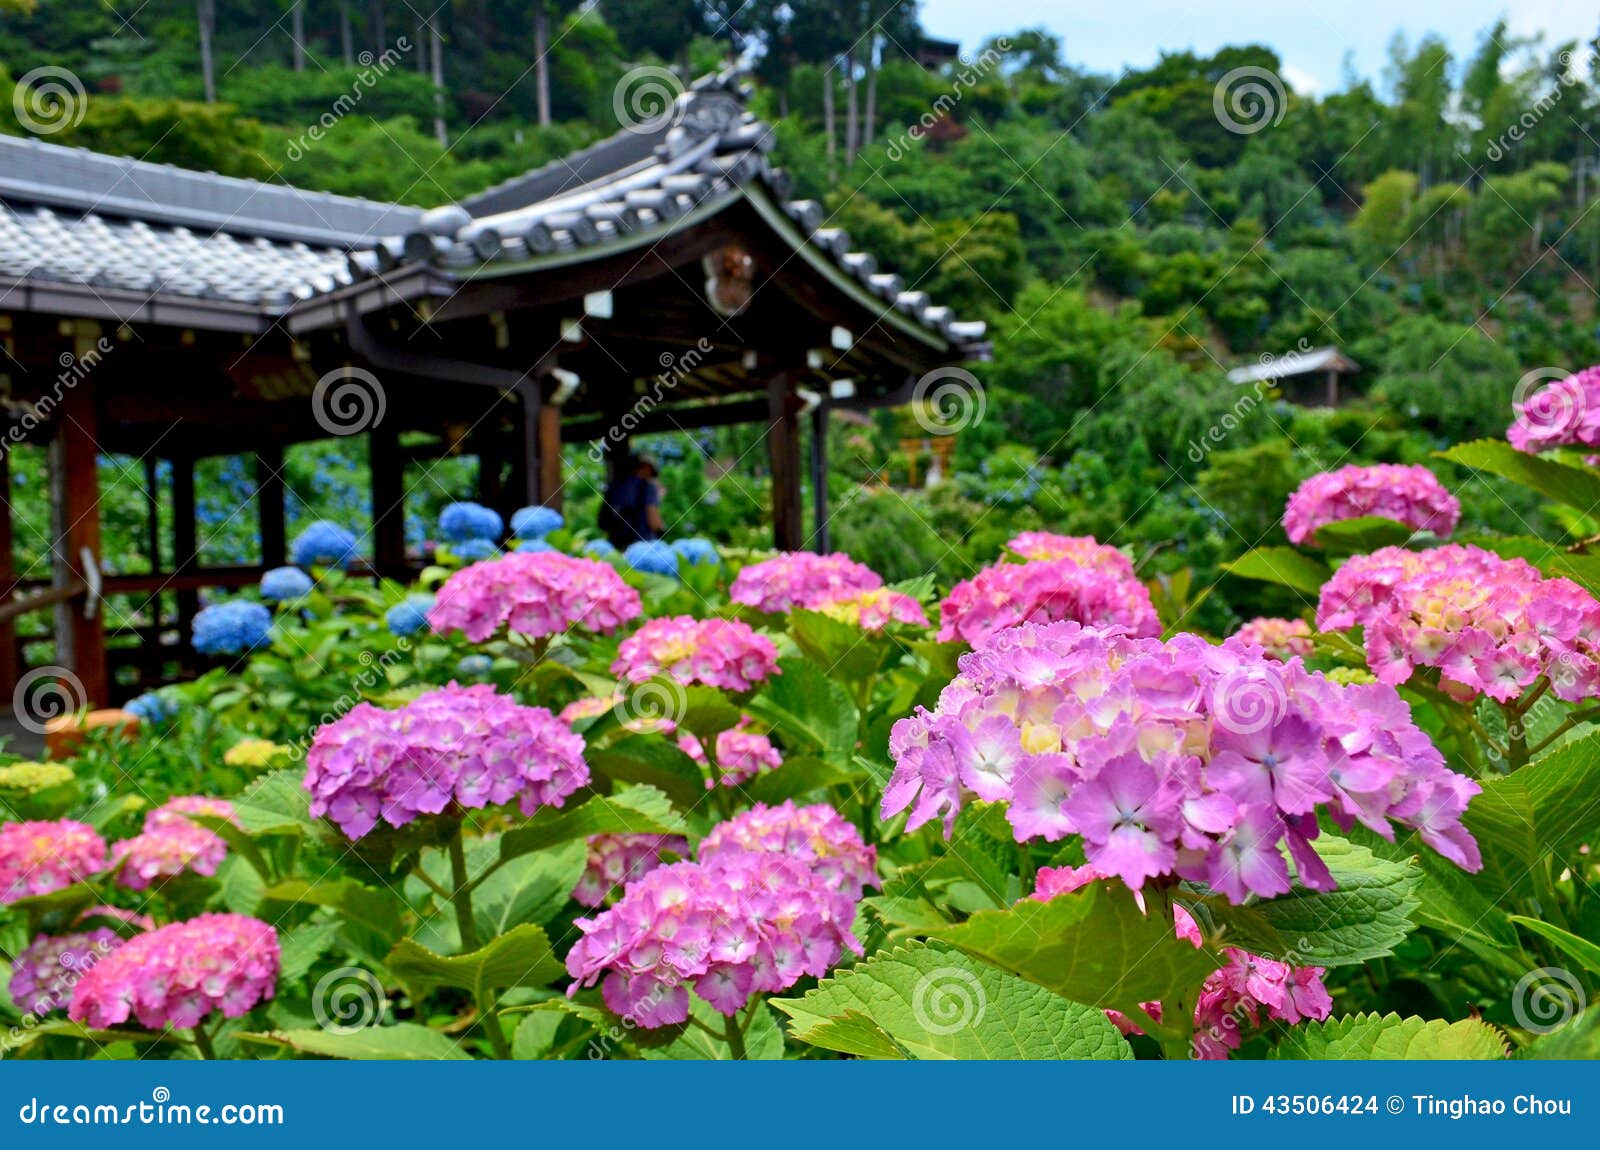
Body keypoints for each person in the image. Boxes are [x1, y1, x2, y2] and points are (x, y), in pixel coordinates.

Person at [599, 454, 664, 548]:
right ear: (647, 468)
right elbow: (654, 522)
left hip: (616, 544)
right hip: (642, 544)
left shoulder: (615, 486)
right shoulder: (648, 487)